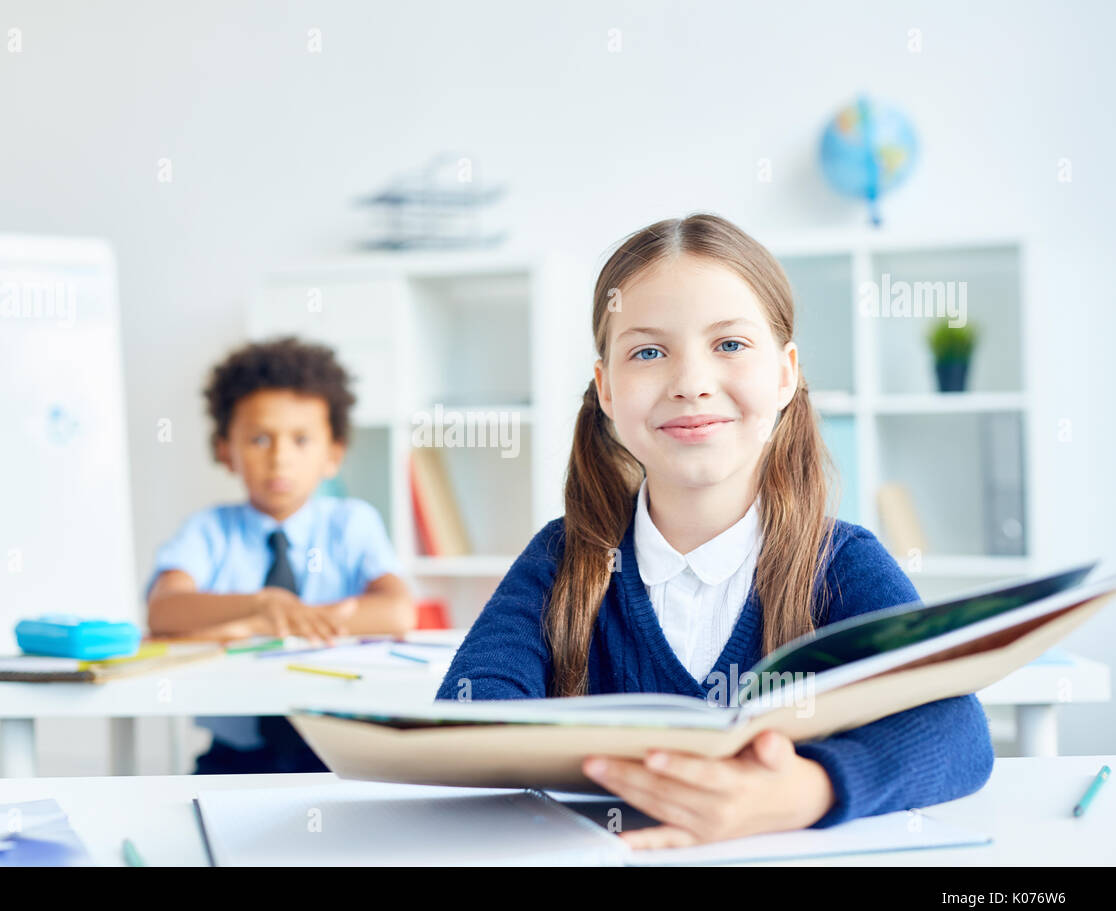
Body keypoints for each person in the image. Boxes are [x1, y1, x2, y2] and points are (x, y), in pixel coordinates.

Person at [436, 213, 994, 848]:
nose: (691, 385)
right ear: (607, 390)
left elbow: (956, 729)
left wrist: (802, 793)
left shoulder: (838, 563)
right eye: (648, 352)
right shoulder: (566, 558)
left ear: (785, 375)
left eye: (729, 345)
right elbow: (468, 712)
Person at [147, 335, 416, 773]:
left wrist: (284, 620)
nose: (279, 459)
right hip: (234, 758)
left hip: (337, 749)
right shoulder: (209, 530)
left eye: (301, 440)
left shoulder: (352, 523)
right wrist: (262, 604)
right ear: (224, 450)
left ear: (333, 455)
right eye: (258, 439)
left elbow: (397, 612)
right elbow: (164, 611)